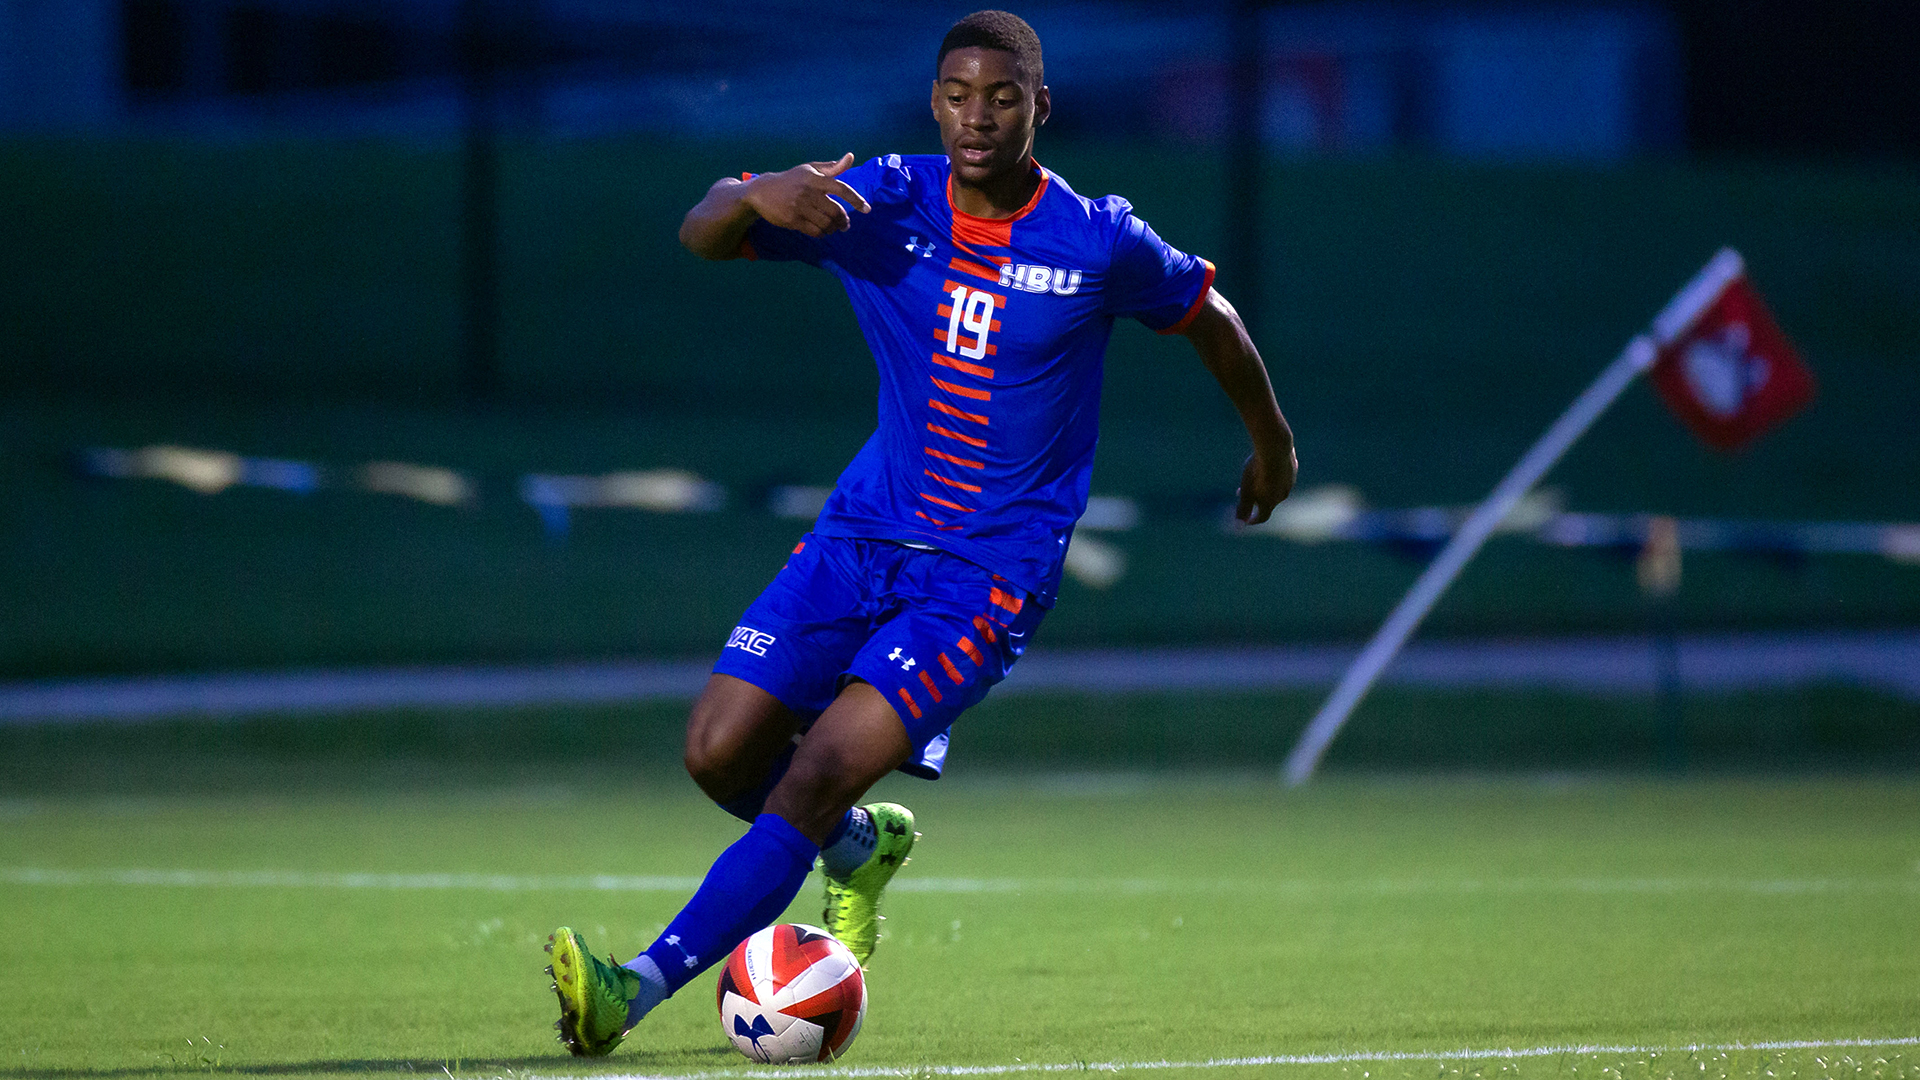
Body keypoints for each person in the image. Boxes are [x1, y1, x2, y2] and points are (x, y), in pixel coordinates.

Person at [544, 9, 1297, 1056]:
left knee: (816, 772)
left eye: (1000, 97)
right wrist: (753, 192)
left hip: (986, 575)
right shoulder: (884, 200)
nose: (975, 117)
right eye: (956, 94)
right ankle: (857, 850)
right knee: (717, 753)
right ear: (933, 100)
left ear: (1041, 106)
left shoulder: (1096, 236)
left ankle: (632, 987)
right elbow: (702, 231)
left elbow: (1212, 318)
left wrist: (1274, 444)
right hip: (859, 537)